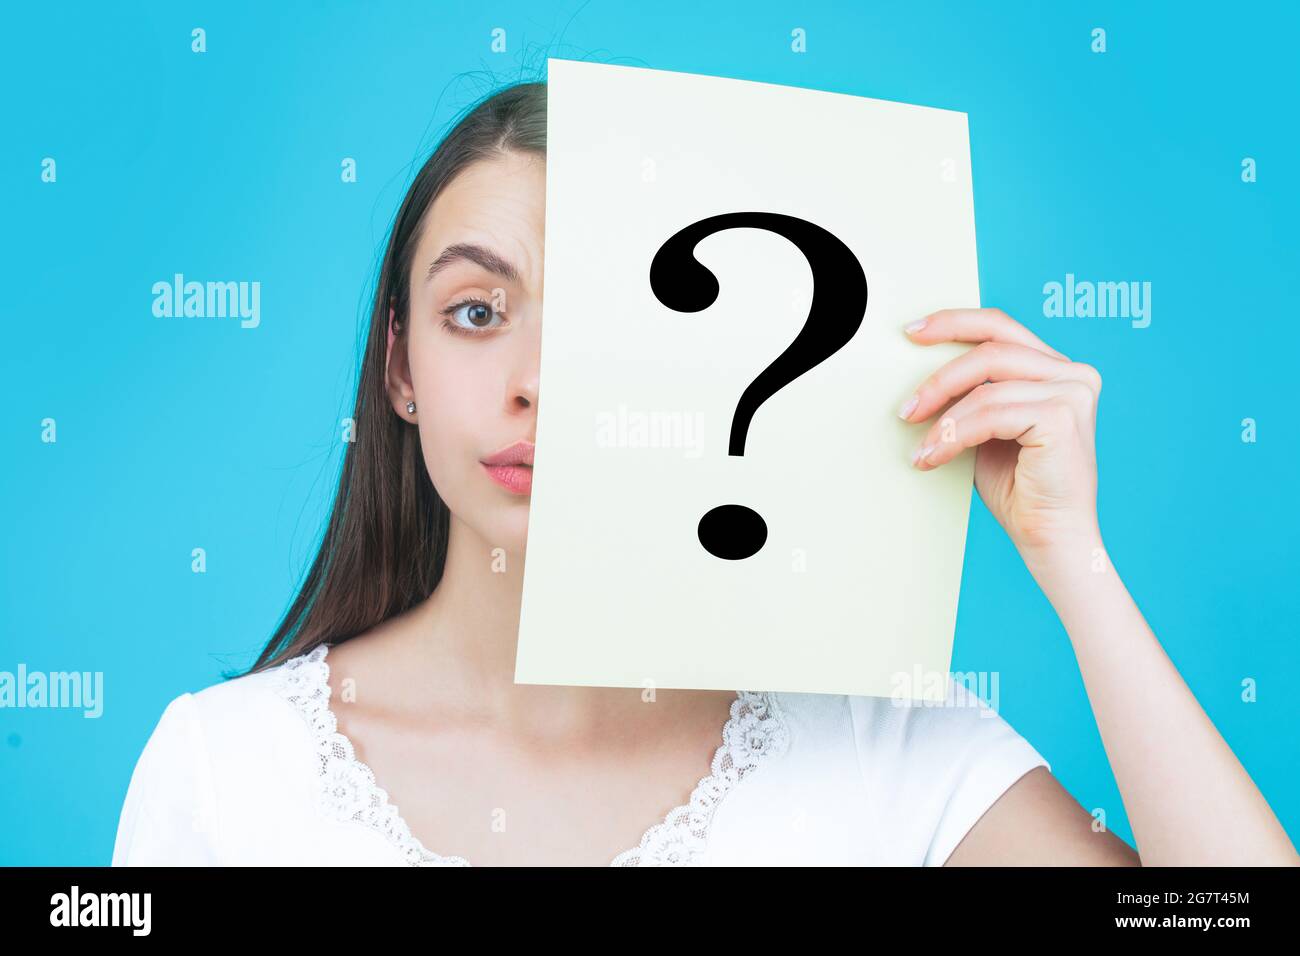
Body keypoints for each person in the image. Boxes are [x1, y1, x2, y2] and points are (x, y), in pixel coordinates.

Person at [111, 80, 1298, 867]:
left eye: (600, 319)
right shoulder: (223, 770)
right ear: (400, 368)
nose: (536, 381)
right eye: (476, 310)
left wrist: (1072, 560)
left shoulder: (881, 743)